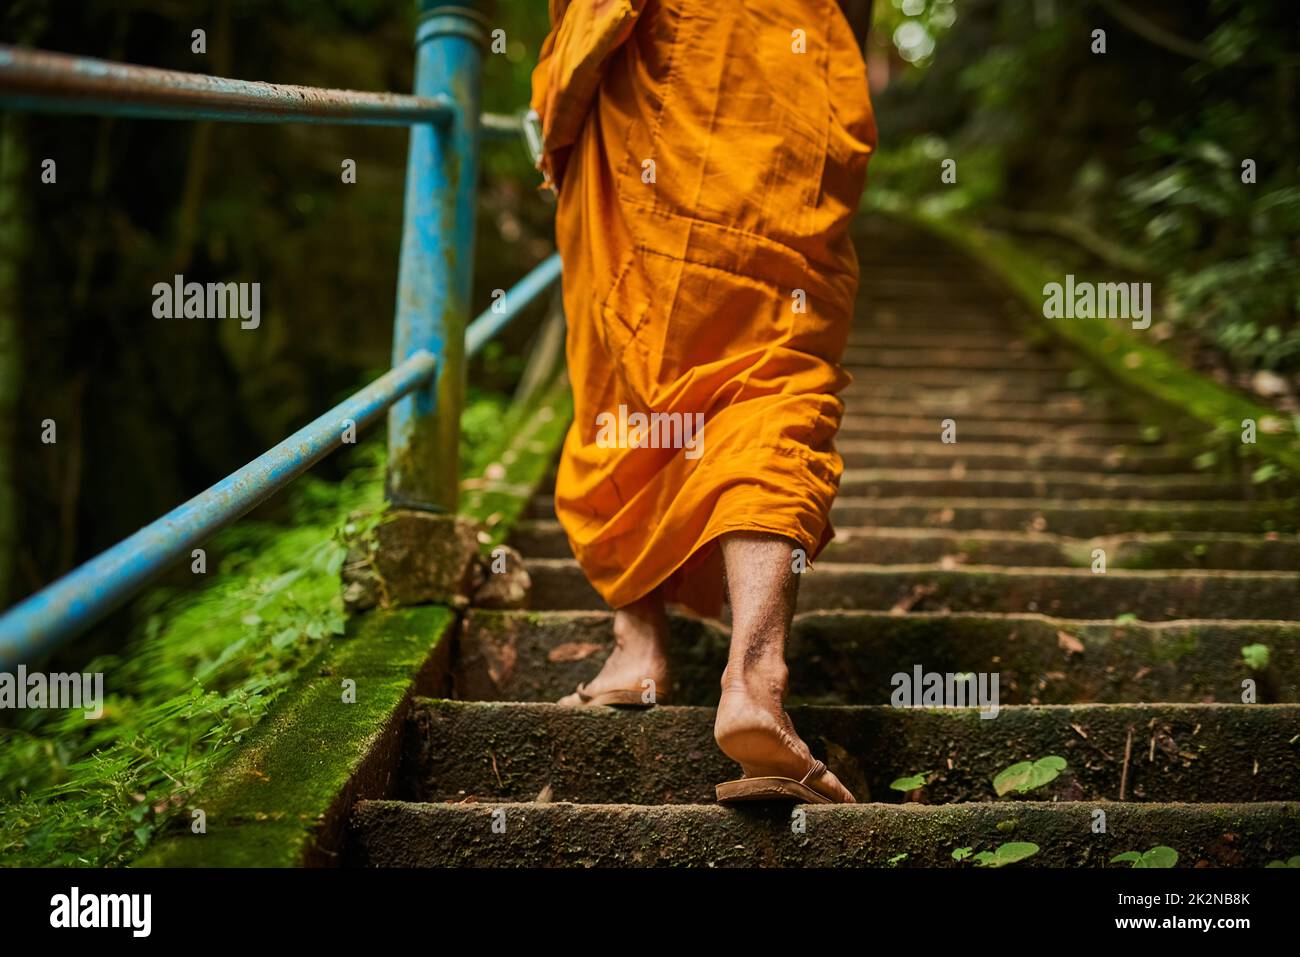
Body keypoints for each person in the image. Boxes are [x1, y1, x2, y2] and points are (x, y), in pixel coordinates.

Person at [530, 0, 877, 804]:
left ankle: (637, 646)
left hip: (645, 57)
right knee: (773, 366)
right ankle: (754, 681)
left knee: (629, 353)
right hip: (782, 64)